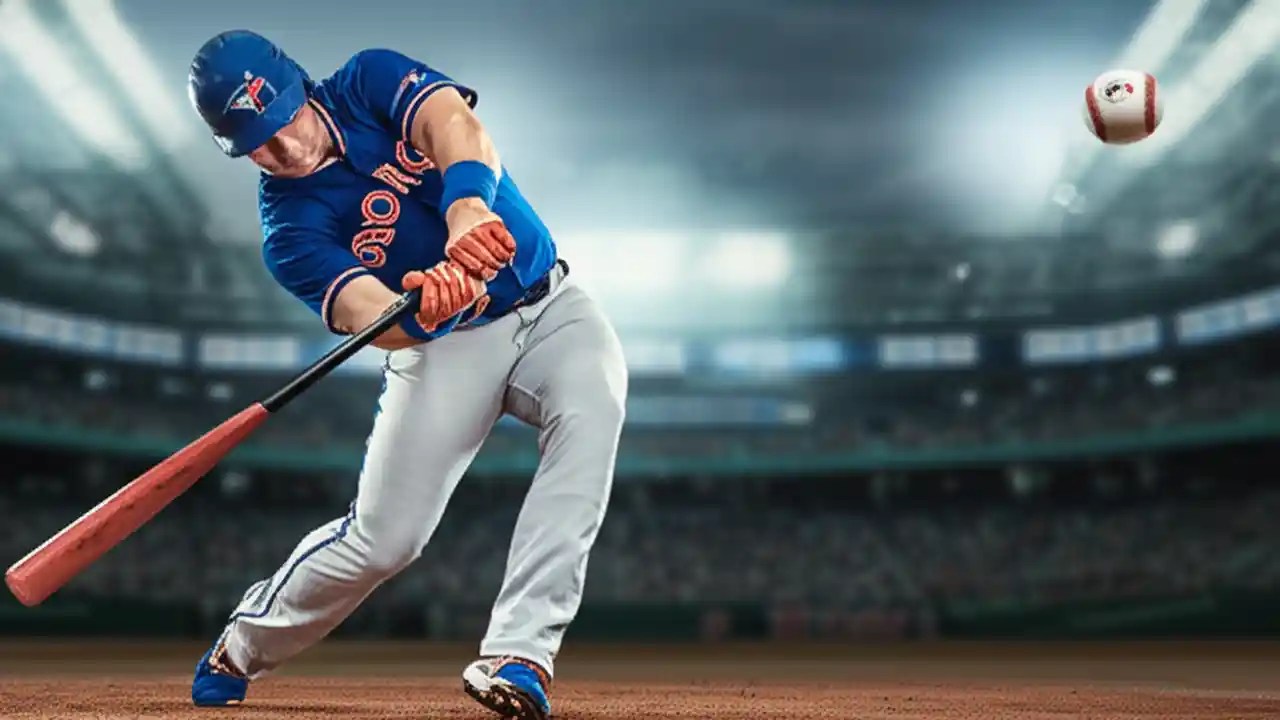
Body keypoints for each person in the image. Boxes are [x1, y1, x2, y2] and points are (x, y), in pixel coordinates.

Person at [186, 30, 628, 720]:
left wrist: (466, 207)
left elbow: (454, 123)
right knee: (385, 540)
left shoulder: (367, 80)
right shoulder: (288, 231)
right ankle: (241, 645)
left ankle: (518, 653)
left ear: (300, 86)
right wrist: (419, 309)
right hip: (446, 347)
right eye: (259, 144)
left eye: (284, 122)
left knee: (593, 413)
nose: (285, 148)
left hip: (552, 305)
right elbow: (374, 317)